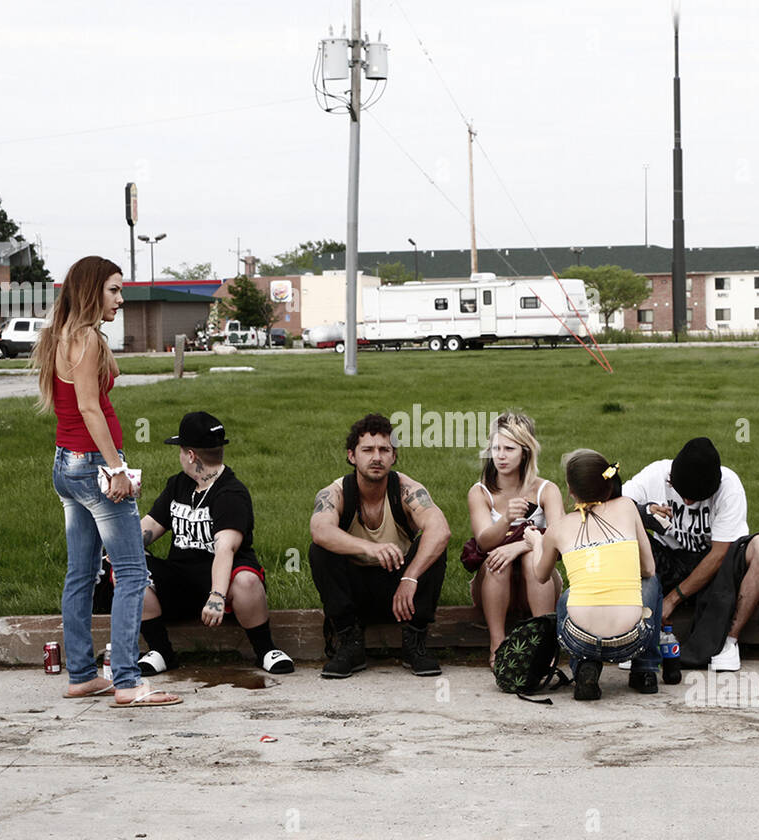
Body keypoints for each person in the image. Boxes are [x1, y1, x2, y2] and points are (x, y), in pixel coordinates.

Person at [31, 255, 180, 707]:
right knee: (132, 572)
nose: (121, 298)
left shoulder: (59, 335)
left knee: (81, 573)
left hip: (66, 466)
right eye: (114, 289)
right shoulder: (88, 338)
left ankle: (81, 674)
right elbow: (90, 409)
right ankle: (129, 682)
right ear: (92, 290)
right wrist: (116, 468)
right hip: (95, 466)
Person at [137, 411, 293, 676]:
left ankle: (265, 649)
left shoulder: (231, 493)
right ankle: (161, 651)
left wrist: (217, 596)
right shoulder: (178, 485)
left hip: (225, 586)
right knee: (131, 569)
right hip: (180, 580)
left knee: (247, 580)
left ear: (190, 455)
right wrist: (120, 549)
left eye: (181, 450)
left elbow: (225, 549)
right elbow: (151, 526)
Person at [621, 437, 759, 674]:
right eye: (684, 495)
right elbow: (612, 509)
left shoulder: (730, 487)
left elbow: (719, 555)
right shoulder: (656, 474)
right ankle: (636, 637)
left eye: (696, 498)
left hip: (715, 570)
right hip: (667, 560)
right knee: (624, 537)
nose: (689, 502)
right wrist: (644, 512)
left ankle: (729, 643)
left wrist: (672, 600)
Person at [309, 413, 451, 679]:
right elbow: (320, 530)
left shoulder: (407, 490)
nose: (377, 457)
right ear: (352, 456)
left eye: (384, 450)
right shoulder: (336, 492)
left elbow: (440, 529)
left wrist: (410, 577)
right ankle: (349, 642)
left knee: (433, 546)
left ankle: (415, 640)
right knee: (320, 549)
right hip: (355, 593)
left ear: (393, 456)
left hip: (402, 591)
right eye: (368, 450)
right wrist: (369, 547)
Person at [525, 450, 659, 699]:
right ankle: (646, 669)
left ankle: (584, 666)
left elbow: (540, 575)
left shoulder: (558, 527)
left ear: (570, 490)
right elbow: (648, 569)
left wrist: (536, 543)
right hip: (631, 639)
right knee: (652, 581)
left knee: (569, 595)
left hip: (580, 639)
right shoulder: (627, 507)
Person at [466, 410, 563, 666]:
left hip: (540, 579)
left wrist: (520, 545)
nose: (500, 456)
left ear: (525, 451)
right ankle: (497, 645)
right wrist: (507, 519)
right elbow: (485, 542)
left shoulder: (546, 490)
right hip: (493, 582)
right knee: (498, 560)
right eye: (496, 448)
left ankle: (544, 643)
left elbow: (560, 539)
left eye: (509, 448)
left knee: (534, 555)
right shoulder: (480, 492)